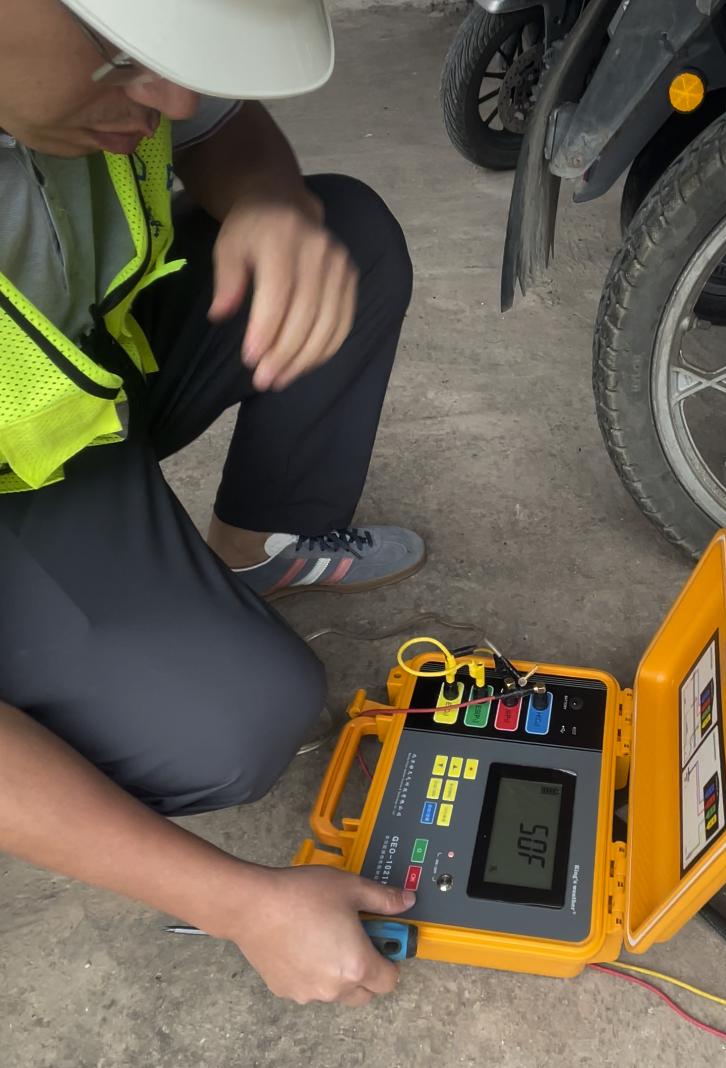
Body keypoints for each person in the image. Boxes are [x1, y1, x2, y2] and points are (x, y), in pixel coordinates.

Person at [0, 0, 425, 1007]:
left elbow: (224, 127)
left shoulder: (90, 57)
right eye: (122, 58)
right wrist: (240, 902)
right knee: (235, 724)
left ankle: (252, 546)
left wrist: (270, 201)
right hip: (25, 475)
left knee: (342, 237)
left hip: (78, 382)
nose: (174, 98)